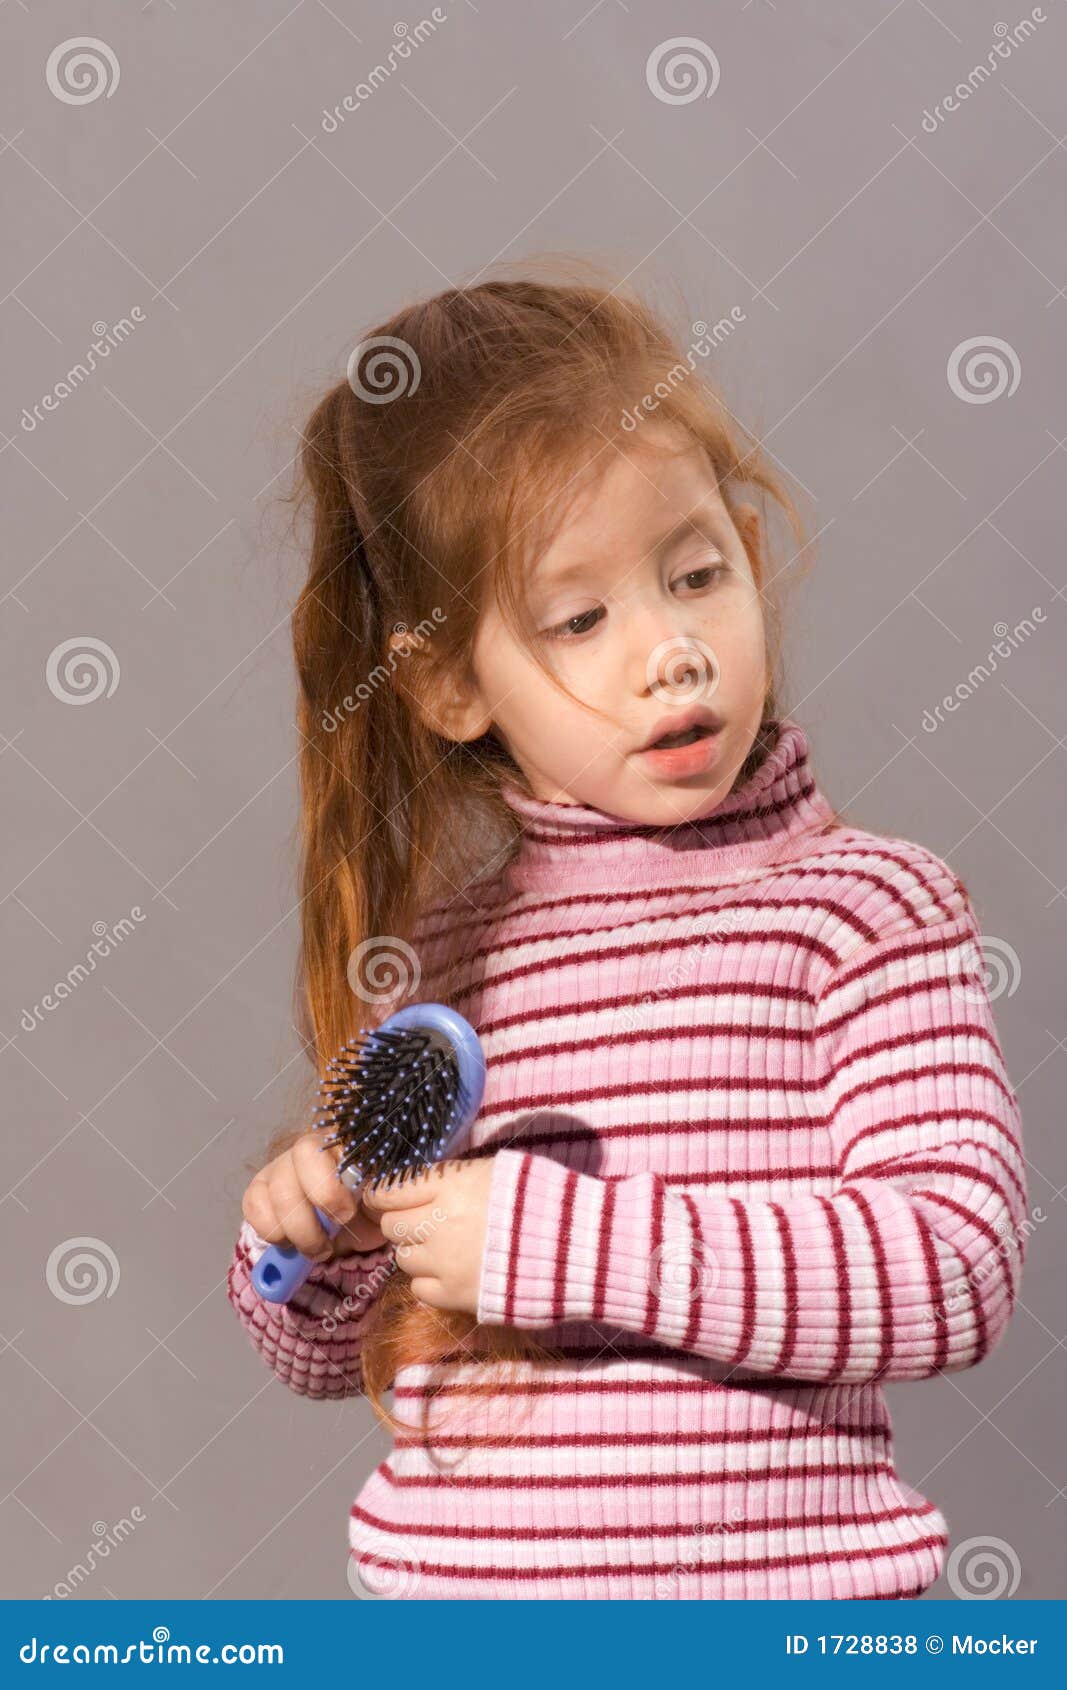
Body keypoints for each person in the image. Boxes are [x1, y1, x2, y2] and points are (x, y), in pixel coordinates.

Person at [226, 266, 1027, 1600]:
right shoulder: (436, 967)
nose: (671, 652)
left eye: (696, 574)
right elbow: (322, 1357)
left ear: (751, 562)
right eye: (579, 617)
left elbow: (952, 1265)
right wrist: (313, 1243)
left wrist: (559, 1245)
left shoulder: (867, 913)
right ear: (446, 683)